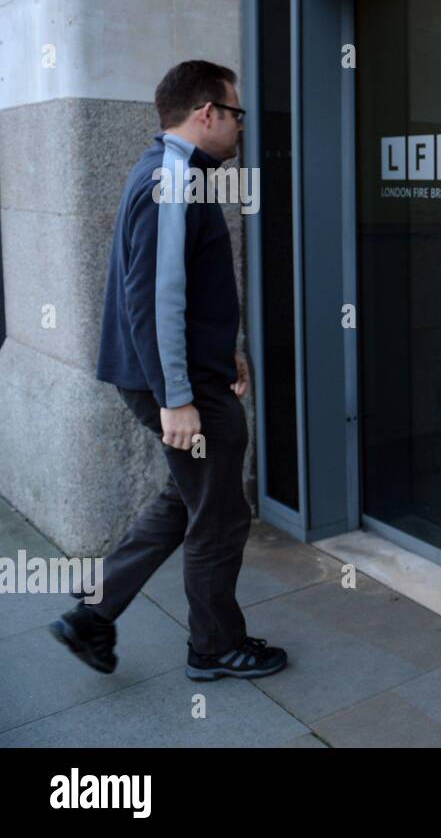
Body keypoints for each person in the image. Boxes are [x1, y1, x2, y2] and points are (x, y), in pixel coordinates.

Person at [48, 60, 288, 681]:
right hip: (180, 388)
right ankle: (214, 648)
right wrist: (177, 397)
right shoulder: (174, 178)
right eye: (236, 114)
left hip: (182, 375)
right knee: (220, 515)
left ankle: (91, 617)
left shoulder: (174, 173)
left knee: (185, 498)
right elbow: (155, 296)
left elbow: (185, 287)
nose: (240, 127)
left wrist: (222, 348)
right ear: (205, 112)